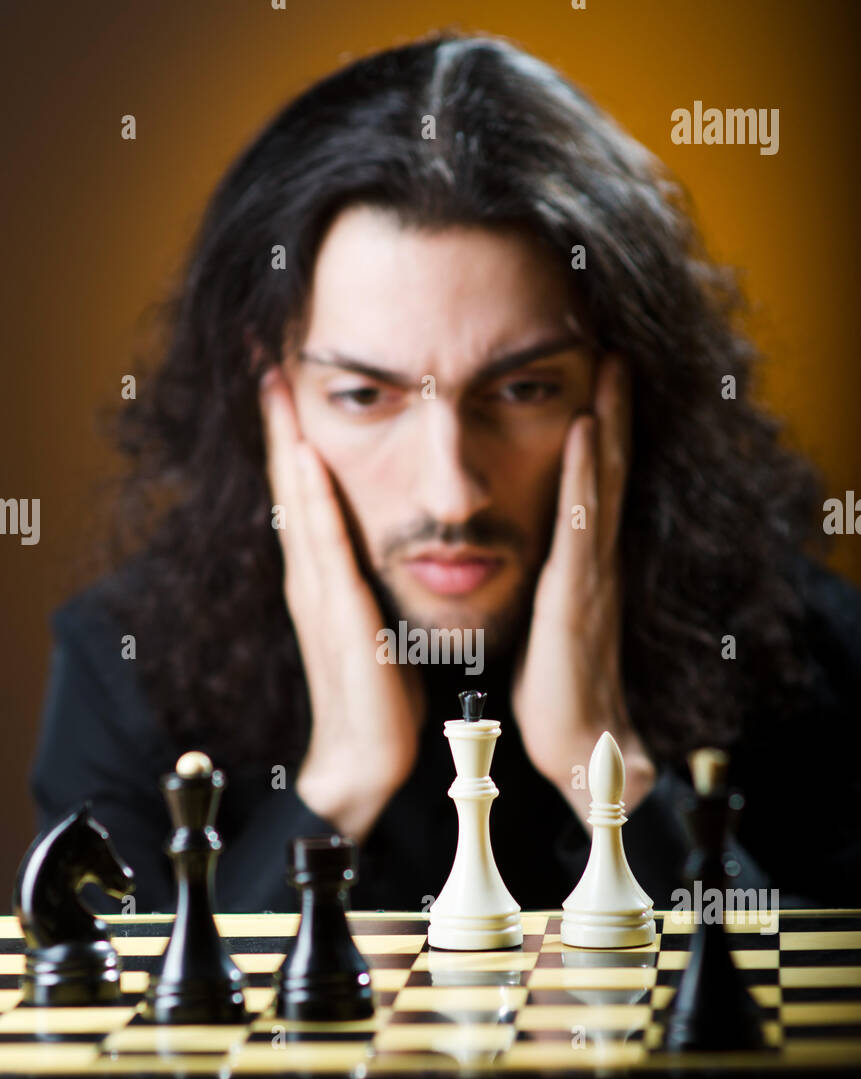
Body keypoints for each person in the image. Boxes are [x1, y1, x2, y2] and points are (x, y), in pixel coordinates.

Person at [31, 32, 861, 913]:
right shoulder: (123, 668)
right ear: (271, 396)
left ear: (623, 389)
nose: (450, 494)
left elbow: (818, 1036)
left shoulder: (808, 653)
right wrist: (338, 781)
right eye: (363, 394)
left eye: (524, 389)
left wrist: (603, 764)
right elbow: (145, 1044)